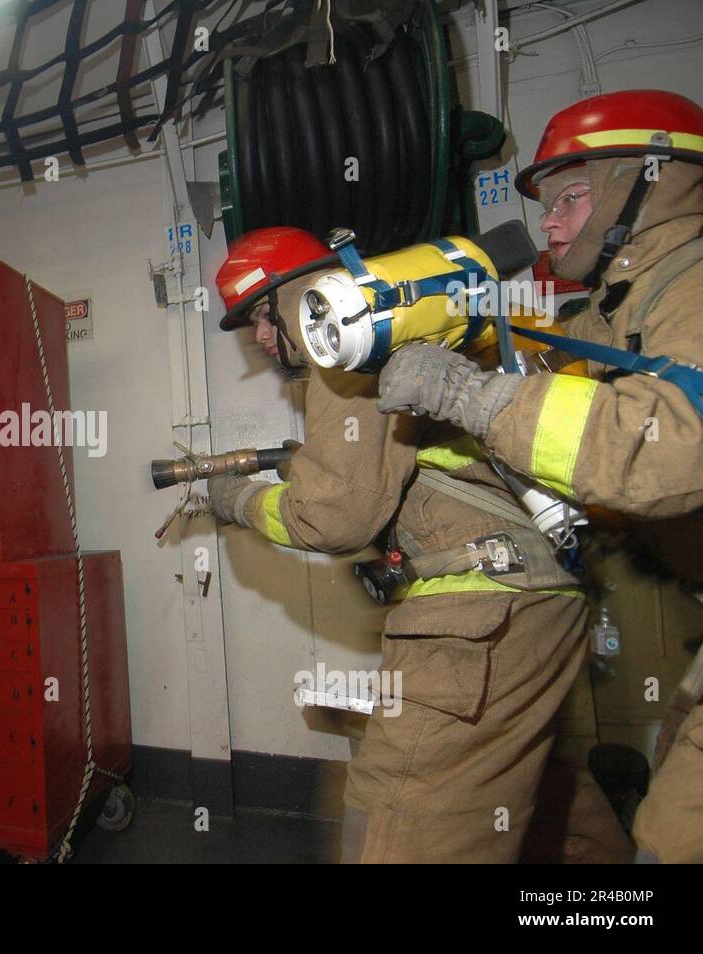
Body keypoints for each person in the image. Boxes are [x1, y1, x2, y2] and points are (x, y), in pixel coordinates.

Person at [209, 226, 627, 862]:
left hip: (477, 617)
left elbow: (333, 517)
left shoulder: (337, 342)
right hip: (541, 594)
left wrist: (236, 501)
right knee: (545, 799)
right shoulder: (400, 327)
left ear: (290, 298)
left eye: (261, 319)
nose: (262, 340)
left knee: (397, 816)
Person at [376, 89, 703, 863]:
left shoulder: (693, 287)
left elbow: (675, 445)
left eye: (570, 199)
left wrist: (470, 394)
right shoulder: (621, 304)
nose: (548, 225)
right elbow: (549, 366)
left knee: (677, 837)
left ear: (650, 182)